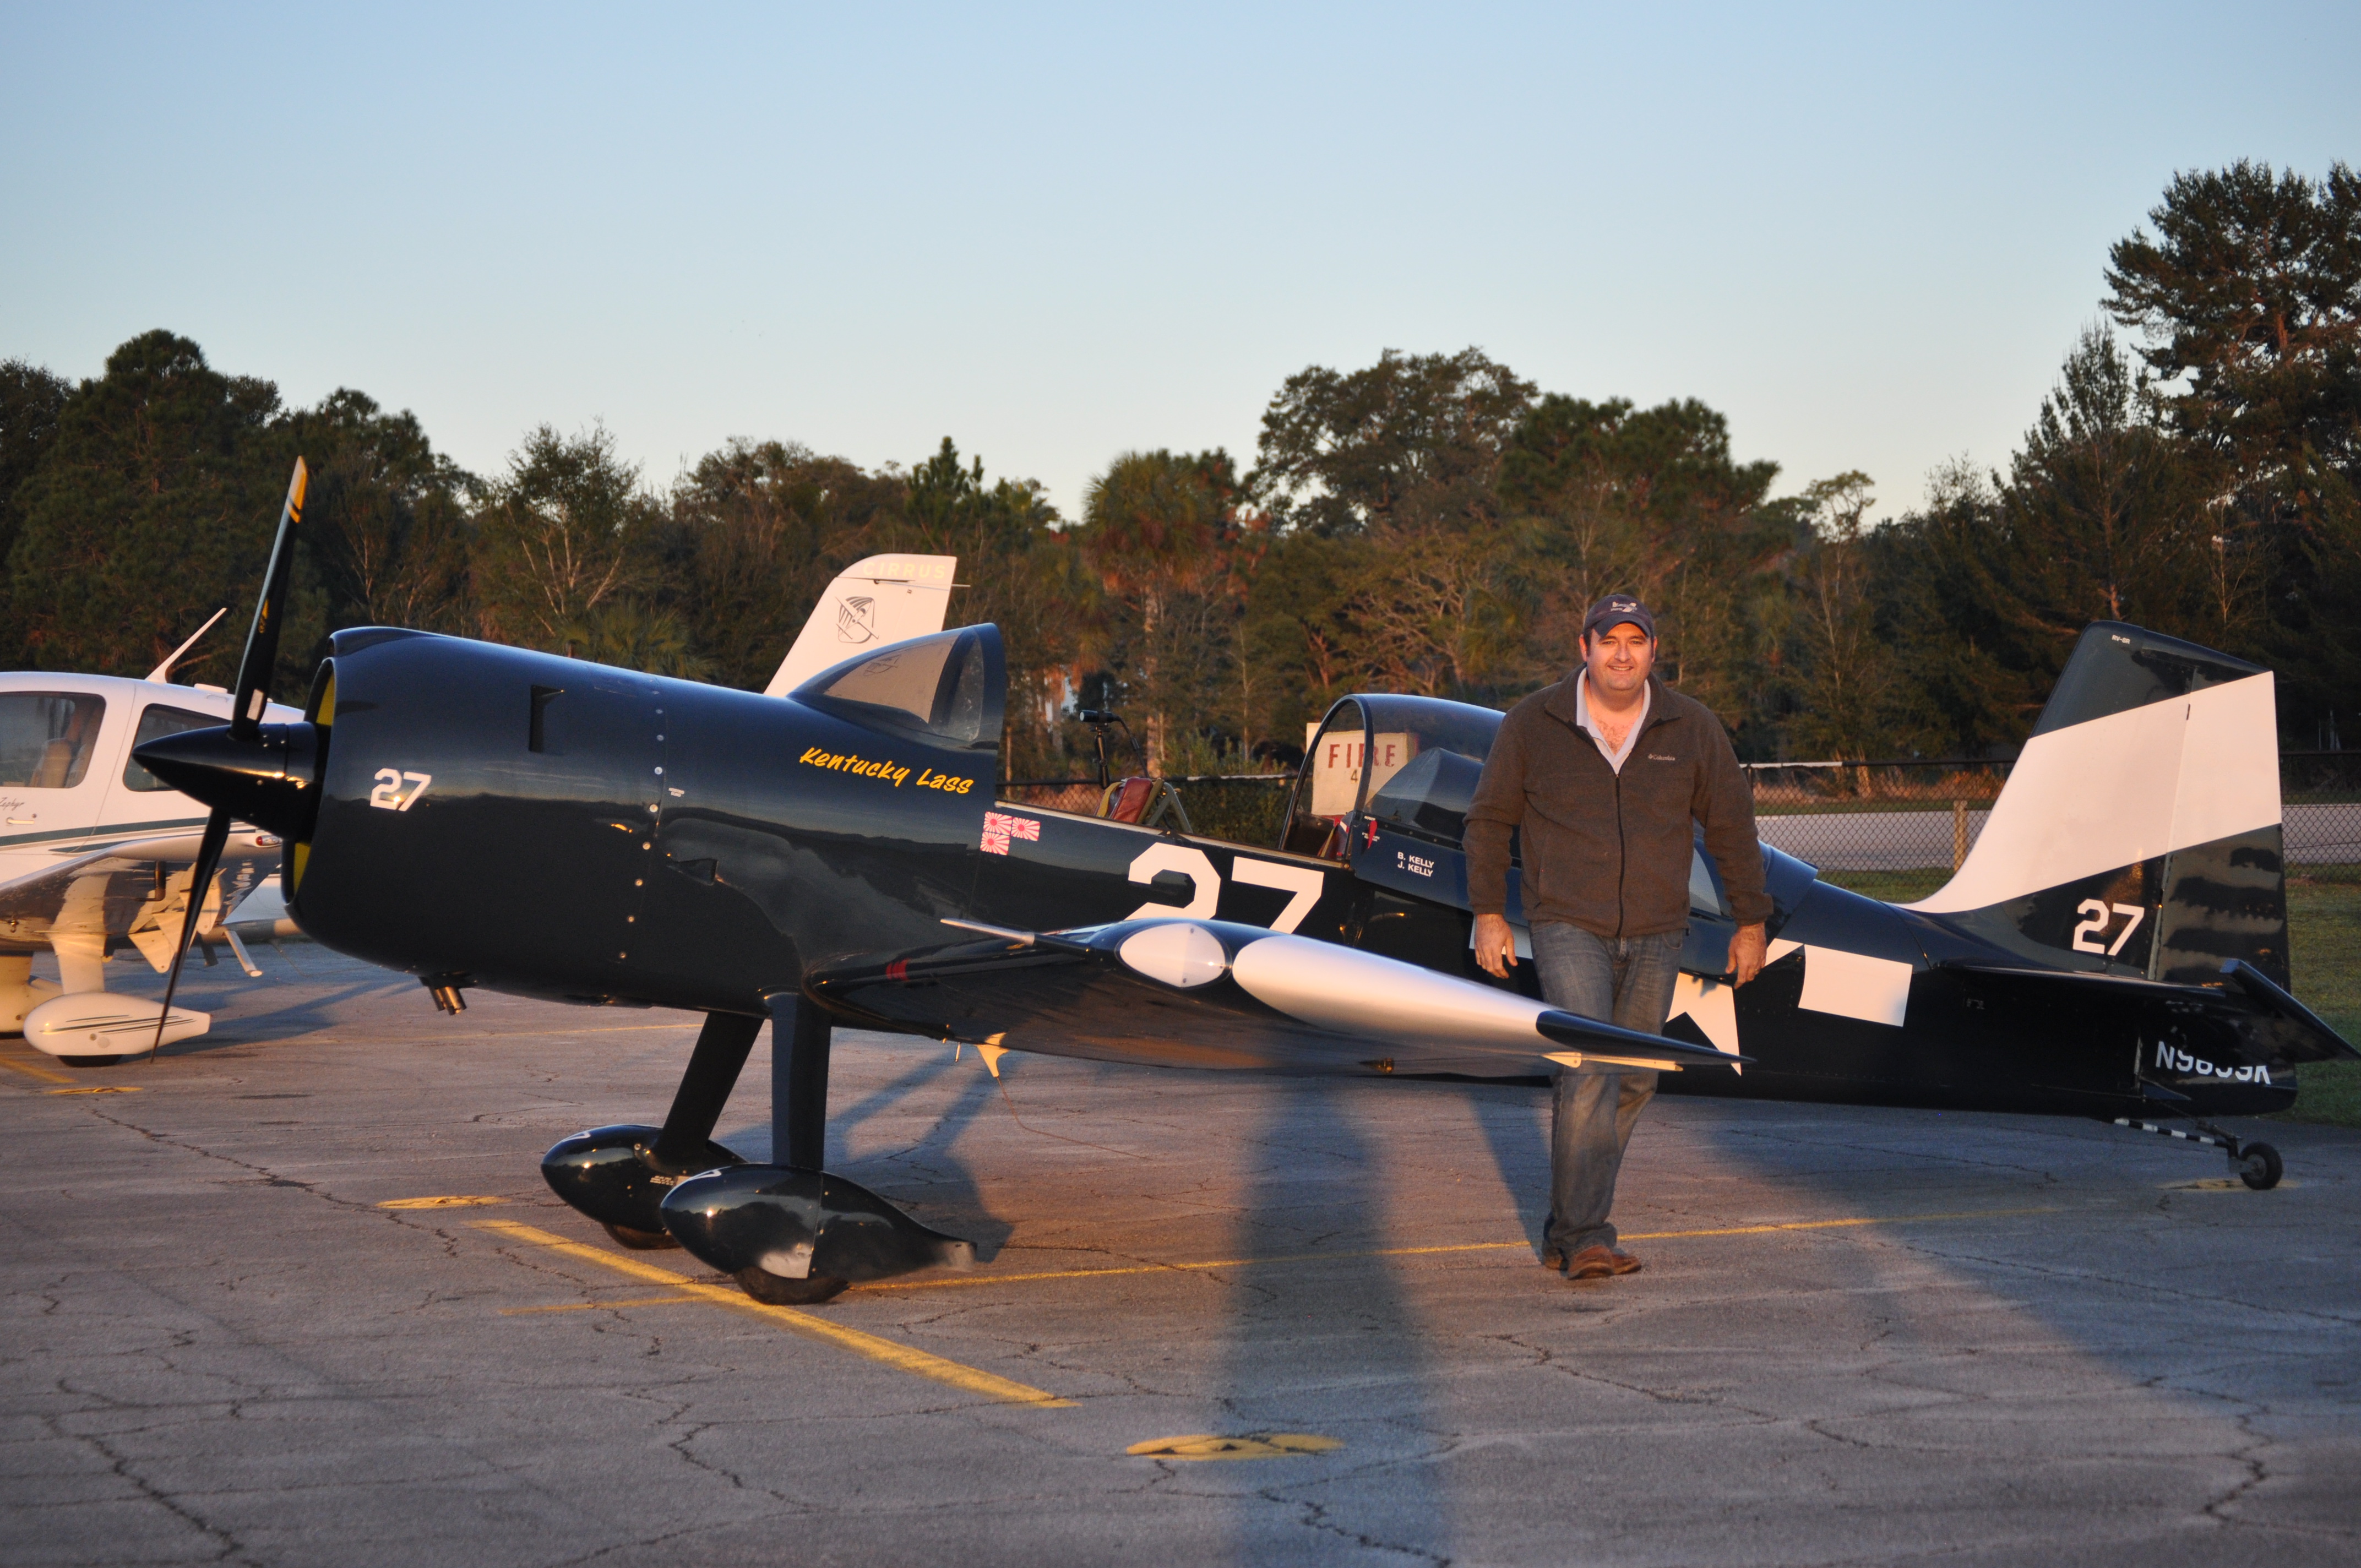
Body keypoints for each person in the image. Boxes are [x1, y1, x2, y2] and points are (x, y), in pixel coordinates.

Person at [1465, 594, 1770, 1282]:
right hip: (1566, 921)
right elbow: (1487, 822)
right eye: (1610, 641)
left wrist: (1751, 923)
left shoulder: (1690, 727)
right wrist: (1488, 911)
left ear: (1654, 652)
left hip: (1660, 929)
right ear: (1585, 647)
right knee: (1589, 1068)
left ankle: (1562, 1229)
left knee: (1635, 1078)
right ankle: (1585, 1236)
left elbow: (1731, 828)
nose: (1622, 654)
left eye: (1636, 641)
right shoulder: (1532, 723)